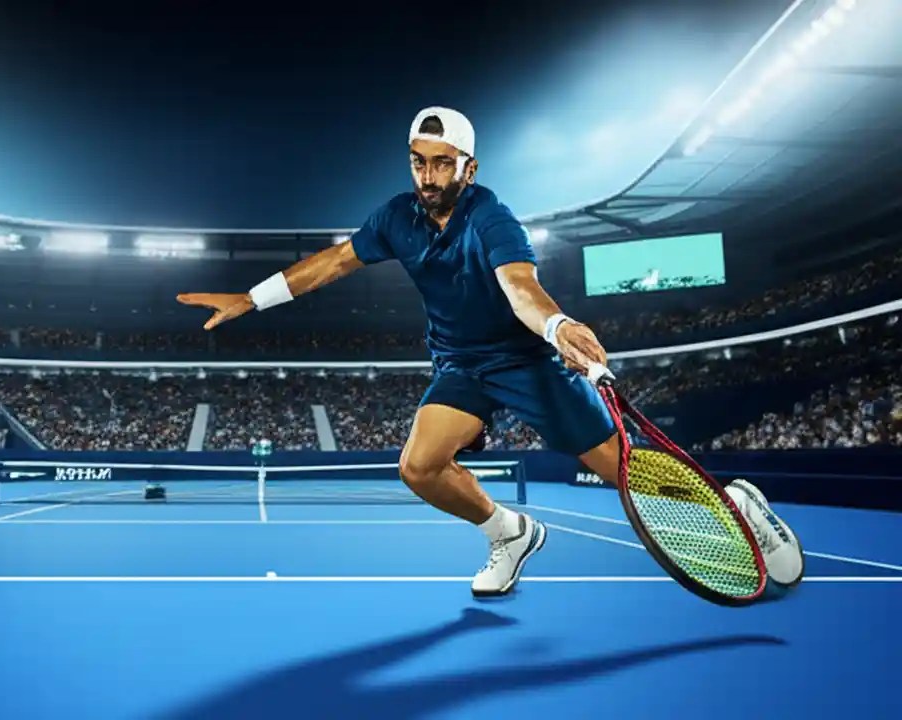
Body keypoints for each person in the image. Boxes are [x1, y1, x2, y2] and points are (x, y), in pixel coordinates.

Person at [177, 107, 791, 598]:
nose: (428, 176)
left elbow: (521, 290)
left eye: (443, 164)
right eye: (419, 163)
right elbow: (336, 262)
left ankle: (736, 504)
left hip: (526, 361)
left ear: (468, 168)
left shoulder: (493, 220)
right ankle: (510, 532)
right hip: (460, 365)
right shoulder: (396, 218)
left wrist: (556, 328)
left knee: (631, 481)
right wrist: (249, 298)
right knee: (419, 466)